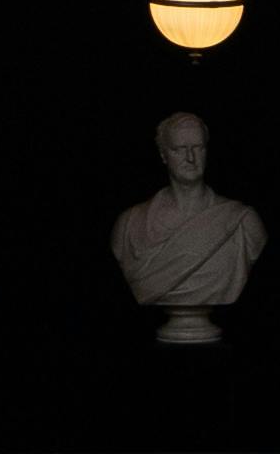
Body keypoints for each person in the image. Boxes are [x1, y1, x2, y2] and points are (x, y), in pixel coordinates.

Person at [110, 111, 267, 348]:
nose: (191, 157)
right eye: (179, 149)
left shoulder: (242, 221)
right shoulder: (130, 225)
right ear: (163, 155)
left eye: (198, 147)